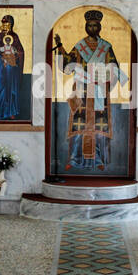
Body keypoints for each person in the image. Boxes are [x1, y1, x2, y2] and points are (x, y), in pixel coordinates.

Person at [53, 9, 126, 171]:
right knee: (80, 124)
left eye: (95, 26)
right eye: (89, 25)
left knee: (98, 125)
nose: (92, 28)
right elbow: (66, 65)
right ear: (86, 27)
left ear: (99, 28)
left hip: (99, 90)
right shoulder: (80, 46)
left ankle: (99, 159)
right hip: (81, 90)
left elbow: (114, 68)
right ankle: (74, 158)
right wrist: (60, 47)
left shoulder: (106, 47)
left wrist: (105, 76)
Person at [0, 15, 25, 120]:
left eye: (7, 23)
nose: (5, 25)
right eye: (3, 23)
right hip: (1, 68)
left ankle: (10, 112)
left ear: (11, 24)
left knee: (10, 90)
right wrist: (0, 54)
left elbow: (21, 52)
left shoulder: (15, 36)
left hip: (11, 69)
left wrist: (14, 54)